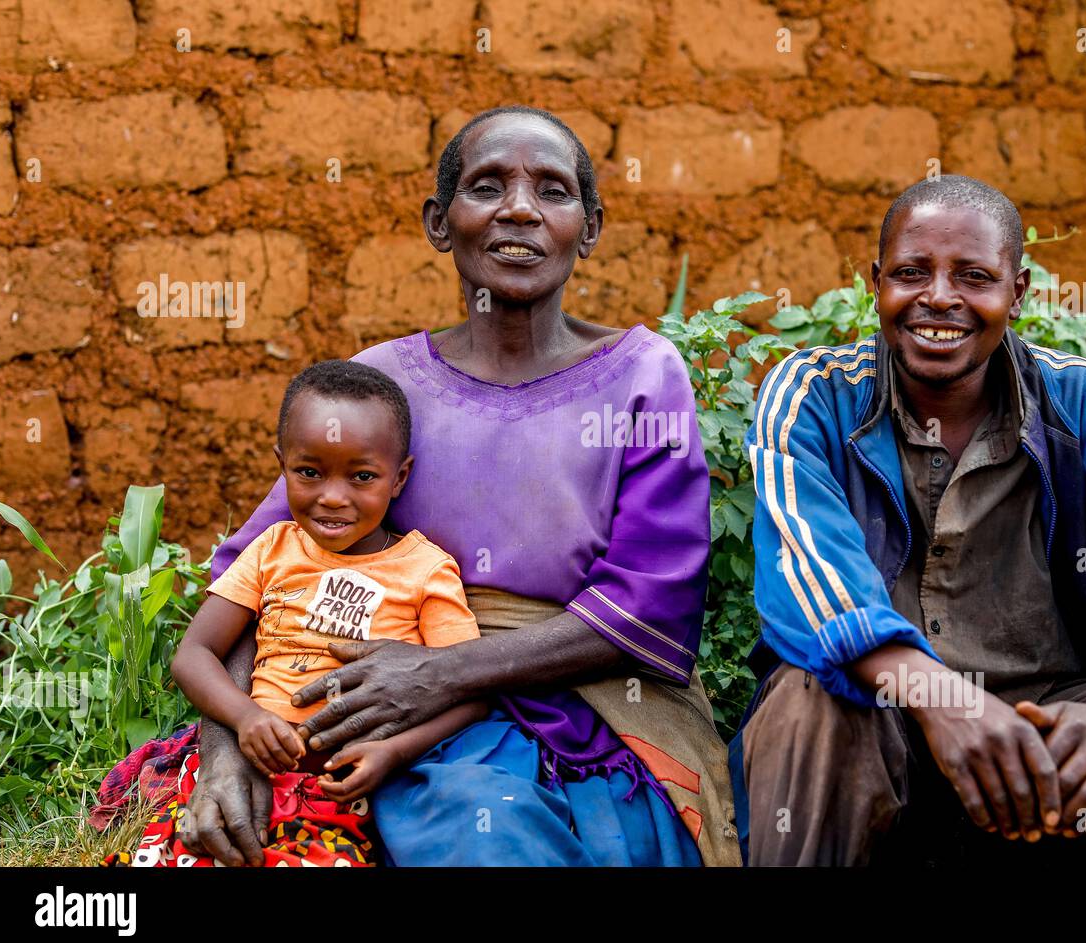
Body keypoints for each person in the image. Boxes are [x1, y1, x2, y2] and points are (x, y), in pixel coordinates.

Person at [96, 106, 739, 867]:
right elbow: (250, 594)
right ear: (441, 222)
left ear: (590, 228)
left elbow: (652, 604)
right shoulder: (384, 382)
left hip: (580, 704)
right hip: (371, 701)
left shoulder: (640, 374)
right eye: (488, 186)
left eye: (553, 191)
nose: (521, 209)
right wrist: (229, 751)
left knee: (486, 830)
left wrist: (441, 672)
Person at [734, 174, 1086, 866]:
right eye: (910, 273)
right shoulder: (815, 398)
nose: (939, 297)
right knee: (806, 698)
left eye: (974, 276)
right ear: (874, 283)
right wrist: (942, 700)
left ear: (1016, 293)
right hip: (892, 724)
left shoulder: (1082, 406)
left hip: (1058, 735)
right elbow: (809, 577)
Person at [105, 360, 486, 866]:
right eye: (308, 472)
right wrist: (246, 720)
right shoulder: (272, 549)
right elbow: (195, 654)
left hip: (349, 782)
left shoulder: (425, 569)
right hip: (253, 766)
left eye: (362, 476)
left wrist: (393, 751)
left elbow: (471, 690)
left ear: (400, 478)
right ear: (281, 464)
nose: (332, 497)